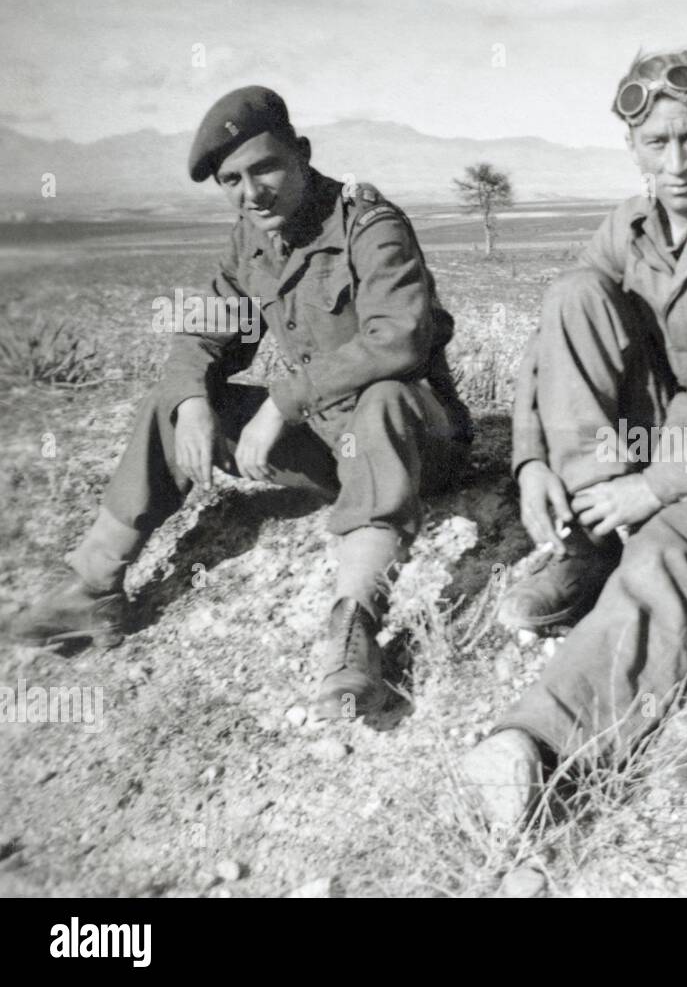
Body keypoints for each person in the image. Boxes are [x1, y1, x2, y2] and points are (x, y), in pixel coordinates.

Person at [14, 86, 472, 720]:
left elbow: (399, 337)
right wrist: (194, 404)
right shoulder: (251, 240)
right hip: (332, 449)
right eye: (231, 179)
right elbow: (202, 332)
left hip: (418, 444)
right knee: (169, 404)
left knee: (385, 398)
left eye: (265, 169)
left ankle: (355, 630)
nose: (250, 192)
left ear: (303, 156)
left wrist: (282, 402)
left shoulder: (369, 224)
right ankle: (94, 586)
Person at [462, 50, 687, 826]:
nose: (678, 161)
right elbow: (552, 342)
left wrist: (659, 485)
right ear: (631, 148)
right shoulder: (626, 227)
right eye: (656, 144)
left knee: (661, 566)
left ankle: (533, 743)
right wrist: (532, 459)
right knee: (573, 295)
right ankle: (590, 541)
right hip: (652, 429)